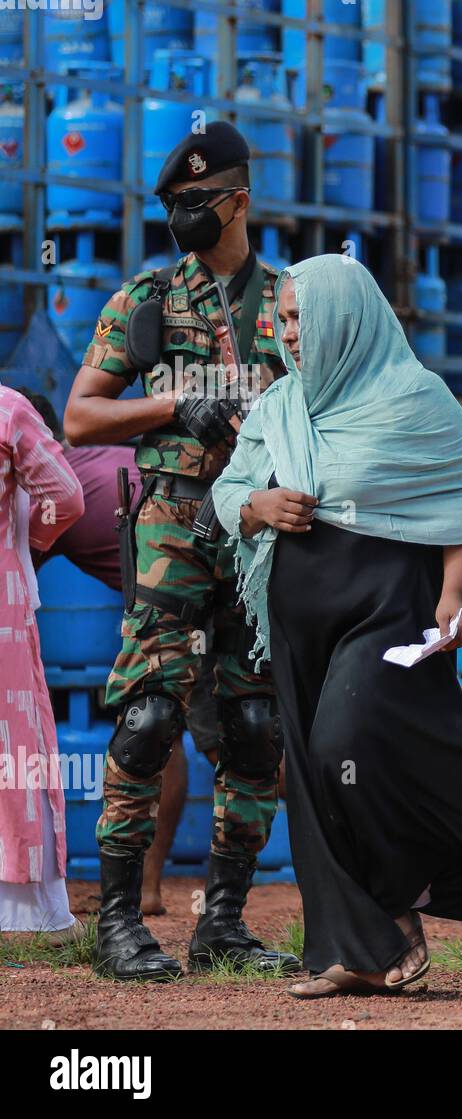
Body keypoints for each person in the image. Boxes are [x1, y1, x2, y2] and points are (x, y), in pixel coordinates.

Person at [212, 254, 462, 998]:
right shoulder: (281, 406)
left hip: (388, 611)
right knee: (313, 774)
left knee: (345, 743)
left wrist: (454, 596)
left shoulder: (415, 398)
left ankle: (403, 906)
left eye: (299, 318)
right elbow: (228, 491)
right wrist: (258, 507)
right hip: (298, 619)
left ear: (345, 314)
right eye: (280, 320)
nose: (288, 334)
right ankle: (363, 945)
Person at [62, 122, 300, 979]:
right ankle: (120, 922)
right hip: (173, 523)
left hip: (261, 531)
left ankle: (223, 921)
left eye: (195, 202)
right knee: (149, 717)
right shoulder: (149, 299)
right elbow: (80, 416)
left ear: (239, 198)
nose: (181, 217)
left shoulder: (291, 299)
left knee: (254, 725)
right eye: (171, 205)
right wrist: (168, 410)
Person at [19, 389, 217, 917]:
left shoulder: (50, 490)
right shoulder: (99, 460)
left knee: (233, 747)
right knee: (159, 729)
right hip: (195, 589)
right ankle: (147, 889)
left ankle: (354, 834)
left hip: (192, 599)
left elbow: (12, 576)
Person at [0, 387, 85, 941]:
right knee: (14, 750)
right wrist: (21, 542)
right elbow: (65, 495)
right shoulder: (7, 409)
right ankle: (27, 916)